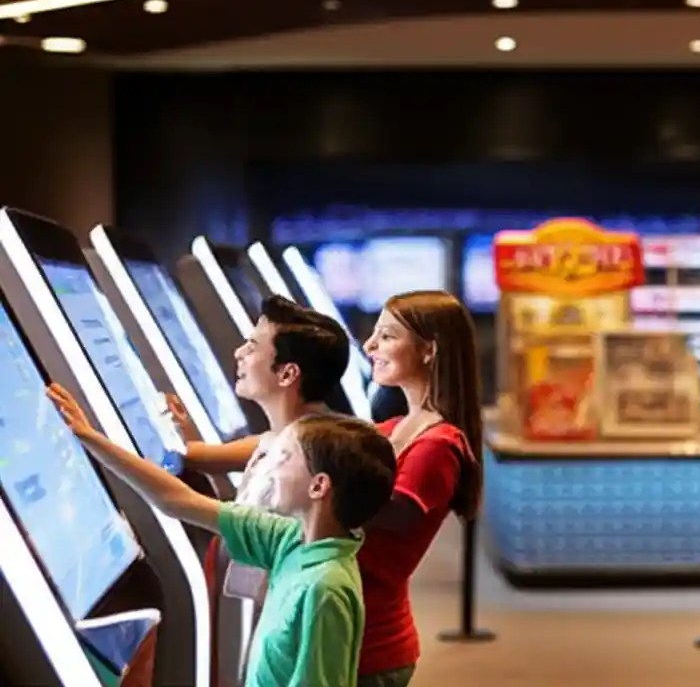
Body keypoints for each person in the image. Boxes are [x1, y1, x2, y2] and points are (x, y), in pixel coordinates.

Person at [48, 384, 396, 687]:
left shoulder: (326, 587)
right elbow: (176, 500)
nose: (272, 466)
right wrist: (90, 437)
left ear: (319, 486)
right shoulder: (291, 539)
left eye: (287, 458)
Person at [170, 295, 349, 681]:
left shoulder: (298, 461)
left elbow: (179, 499)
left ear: (287, 374)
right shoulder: (290, 437)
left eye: (252, 345)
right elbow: (198, 455)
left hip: (267, 635)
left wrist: (86, 435)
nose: (239, 353)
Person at [355, 290, 484, 687]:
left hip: (371, 643)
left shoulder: (438, 446)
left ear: (429, 350)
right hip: (350, 627)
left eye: (388, 336)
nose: (369, 345)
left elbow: (371, 511)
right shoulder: (394, 428)